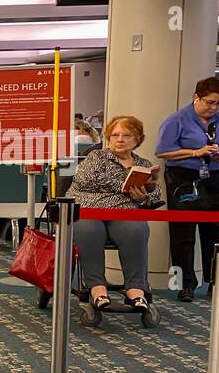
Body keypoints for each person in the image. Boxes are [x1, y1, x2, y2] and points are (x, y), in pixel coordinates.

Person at [67, 115, 161, 312]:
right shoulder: (97, 157)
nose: (120, 139)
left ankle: (136, 289)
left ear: (137, 140)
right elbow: (86, 180)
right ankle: (97, 287)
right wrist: (126, 187)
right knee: (89, 231)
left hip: (124, 212)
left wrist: (143, 197)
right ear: (108, 138)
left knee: (137, 229)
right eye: (115, 135)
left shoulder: (143, 164)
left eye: (126, 135)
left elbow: (155, 197)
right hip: (89, 209)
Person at [155, 76, 219, 301]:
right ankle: (183, 284)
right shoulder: (177, 120)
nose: (213, 108)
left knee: (214, 232)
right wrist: (195, 152)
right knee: (182, 234)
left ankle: (214, 282)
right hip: (183, 177)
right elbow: (162, 151)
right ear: (197, 97)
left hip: (214, 176)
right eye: (209, 102)